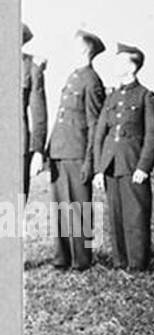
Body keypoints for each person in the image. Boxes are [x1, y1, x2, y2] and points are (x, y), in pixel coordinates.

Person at [92, 44, 154, 271]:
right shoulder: (112, 96)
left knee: (136, 215)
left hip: (133, 164)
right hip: (112, 164)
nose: (115, 65)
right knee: (116, 216)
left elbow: (153, 135)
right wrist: (100, 169)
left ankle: (138, 263)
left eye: (120, 61)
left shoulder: (145, 96)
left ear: (132, 66)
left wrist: (144, 166)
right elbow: (100, 134)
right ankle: (120, 261)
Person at [46, 30, 105, 270]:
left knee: (79, 207)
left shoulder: (91, 80)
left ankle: (82, 259)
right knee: (60, 207)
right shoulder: (74, 76)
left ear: (84, 50)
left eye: (74, 46)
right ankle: (62, 257)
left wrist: (90, 162)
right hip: (60, 151)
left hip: (77, 153)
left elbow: (94, 125)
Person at [21, 23, 47, 202]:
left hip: (15, 147)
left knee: (11, 209)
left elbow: (39, 113)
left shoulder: (31, 67)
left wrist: (38, 150)